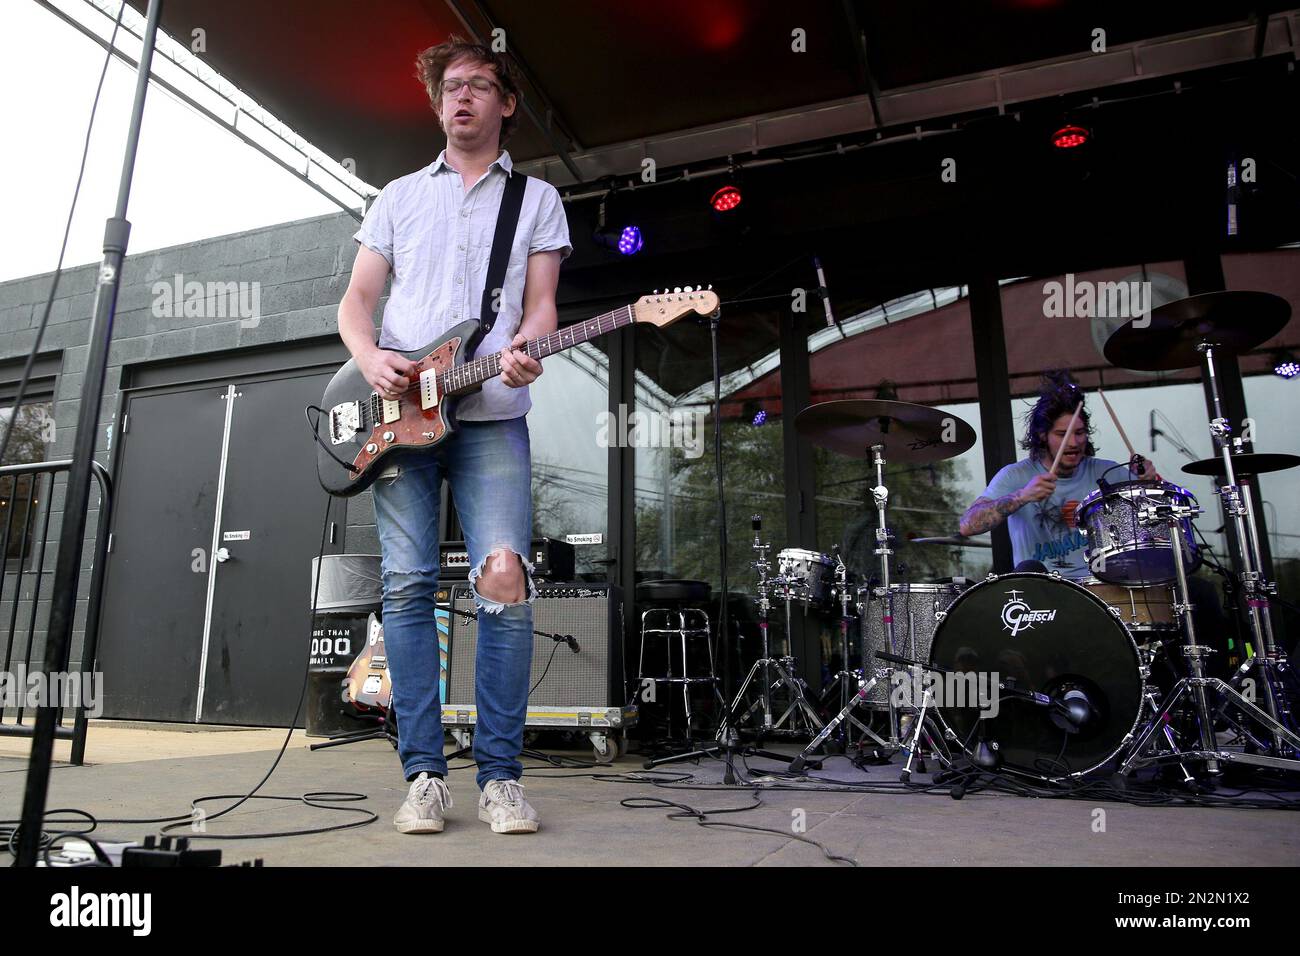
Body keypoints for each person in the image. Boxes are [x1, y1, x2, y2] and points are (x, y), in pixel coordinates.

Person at [337, 36, 571, 834]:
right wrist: (371, 360)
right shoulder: (399, 195)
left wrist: (526, 350)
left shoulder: (535, 199)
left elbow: (539, 309)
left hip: (492, 414)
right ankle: (424, 776)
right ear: (438, 106)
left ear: (506, 103)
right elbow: (357, 301)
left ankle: (500, 778)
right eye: (450, 87)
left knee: (503, 575)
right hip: (403, 416)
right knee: (404, 586)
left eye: (479, 85)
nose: (461, 96)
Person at [958, 371, 1160, 578]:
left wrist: (1150, 483)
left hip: (1102, 587)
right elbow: (967, 526)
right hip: (1043, 590)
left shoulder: (1107, 472)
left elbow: (1157, 520)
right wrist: (1022, 496)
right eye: (1062, 435)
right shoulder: (1015, 476)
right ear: (1042, 435)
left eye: (1079, 433)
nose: (1073, 442)